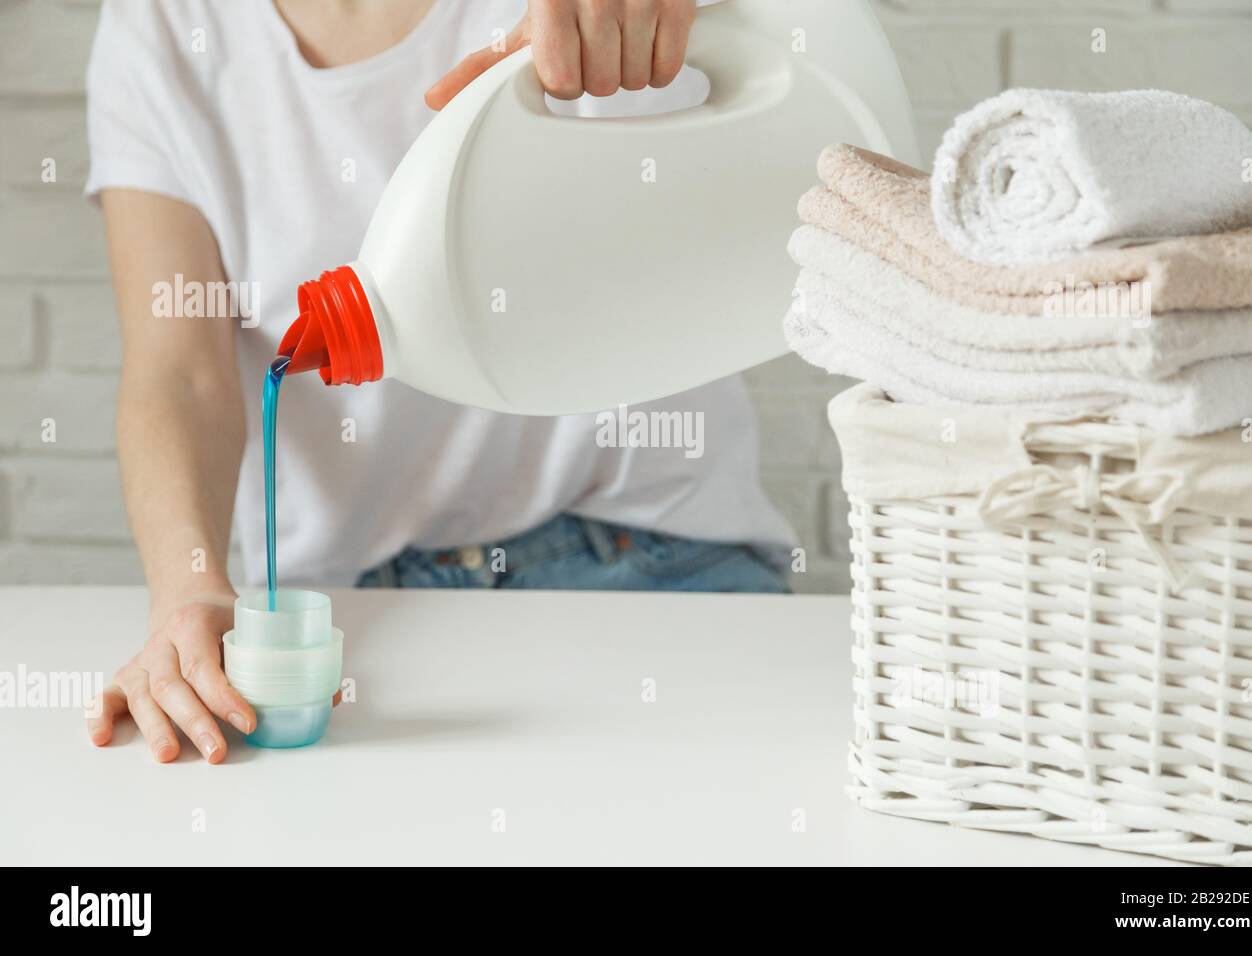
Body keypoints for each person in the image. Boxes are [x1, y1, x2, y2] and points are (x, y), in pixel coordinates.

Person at [84, 0, 794, 764]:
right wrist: (190, 588)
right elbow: (179, 372)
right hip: (349, 616)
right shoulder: (164, 25)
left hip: (660, 557)